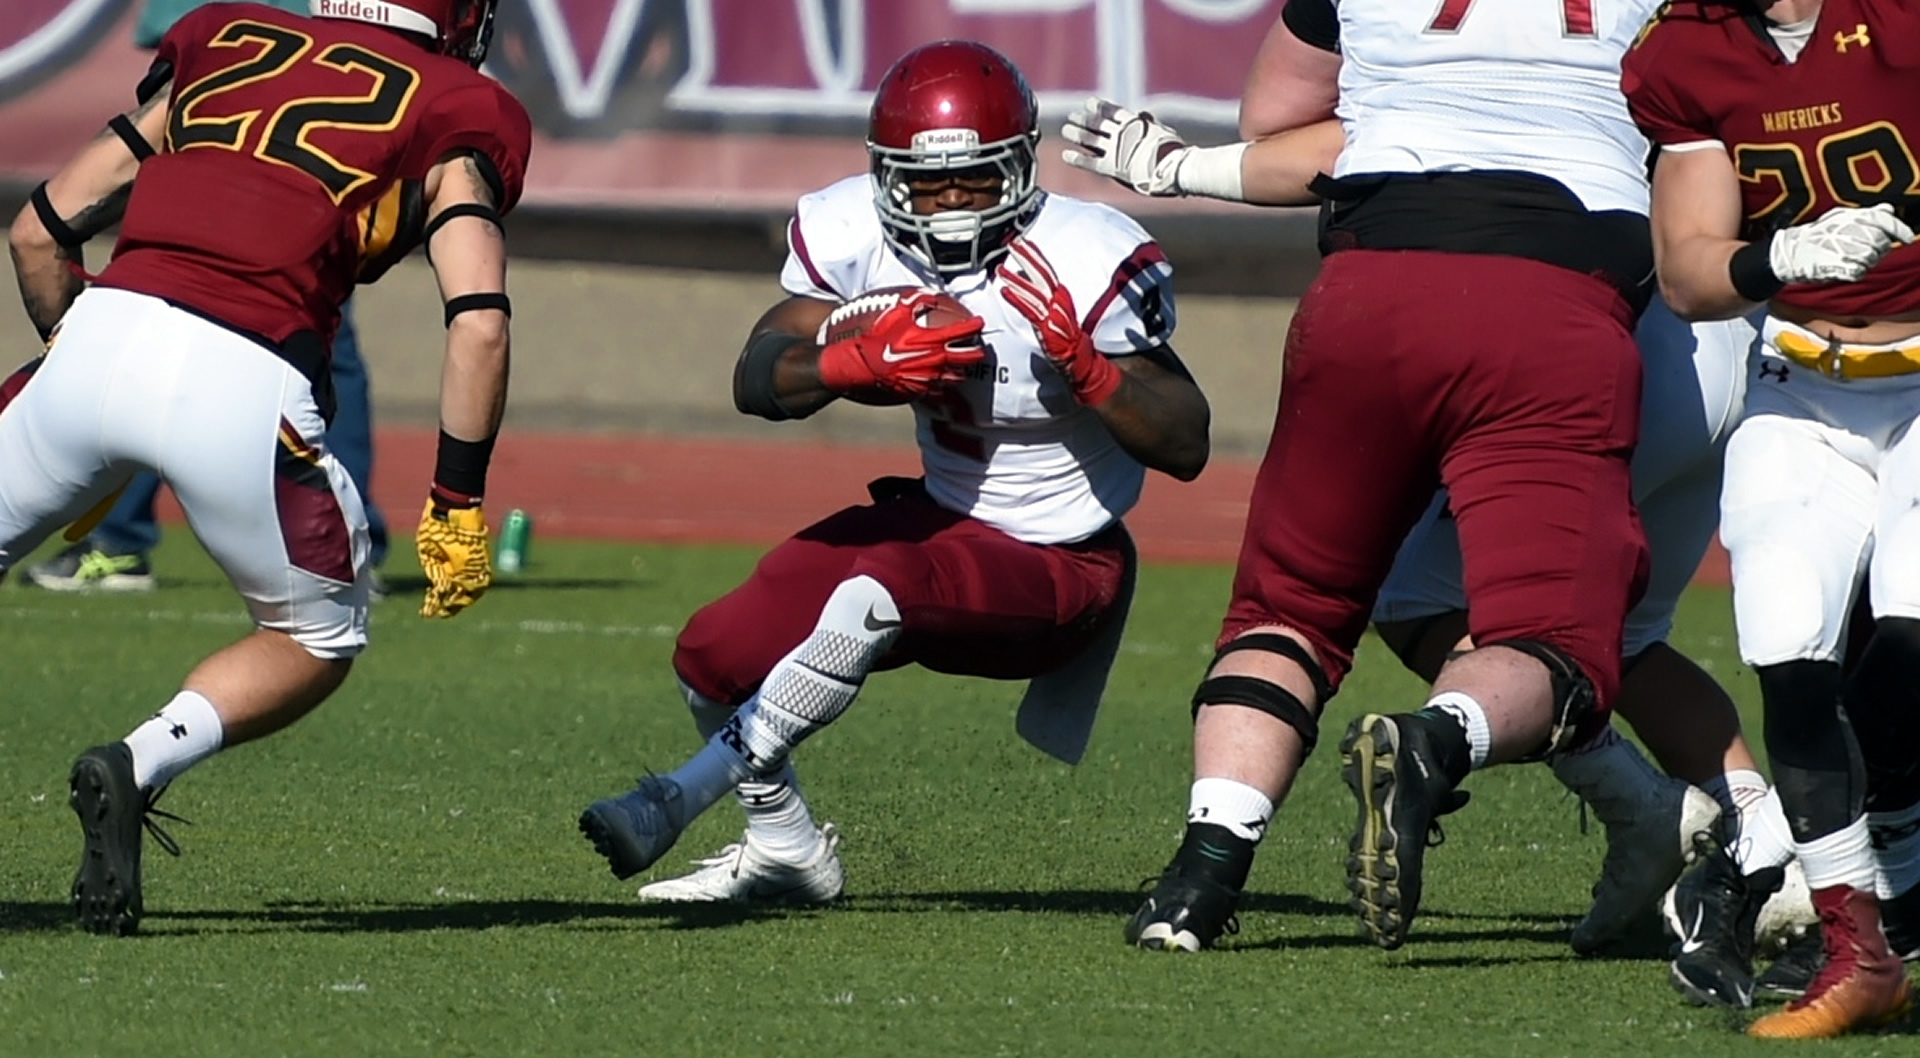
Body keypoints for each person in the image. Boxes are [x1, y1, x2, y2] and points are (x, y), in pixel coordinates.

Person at [1065, 0, 1672, 955]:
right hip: (1555, 302)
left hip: (1372, 287)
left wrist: (1182, 169)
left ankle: (1199, 879)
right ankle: (1437, 743)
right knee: (1555, 646)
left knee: (1289, 605)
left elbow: (1281, 123)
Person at [577, 40, 1211, 902]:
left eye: (975, 178)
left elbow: (1187, 441)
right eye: (927, 181)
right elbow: (757, 372)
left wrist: (1093, 372)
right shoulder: (858, 236)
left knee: (870, 590)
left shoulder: (1086, 254)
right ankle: (785, 846)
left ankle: (675, 799)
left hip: (1065, 562)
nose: (949, 201)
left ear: (1020, 167)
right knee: (712, 654)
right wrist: (844, 365)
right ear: (886, 176)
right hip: (937, 520)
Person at [2, 0, 529, 935]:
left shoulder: (225, 36)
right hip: (248, 383)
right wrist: (456, 500)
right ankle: (141, 758)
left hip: (104, 331)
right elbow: (479, 319)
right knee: (317, 635)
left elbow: (41, 228)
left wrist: (81, 386)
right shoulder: (459, 102)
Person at [1621, 0, 1920, 1038]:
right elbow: (1690, 272)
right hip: (1801, 384)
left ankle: (1907, 858)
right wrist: (1779, 257)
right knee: (1790, 651)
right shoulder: (1684, 49)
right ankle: (1858, 953)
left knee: (1911, 643)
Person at [22, 0, 390, 595]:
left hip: (260, 119)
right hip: (292, 114)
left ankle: (124, 538)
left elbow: (36, 231)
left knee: (184, 323)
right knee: (300, 335)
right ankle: (346, 549)